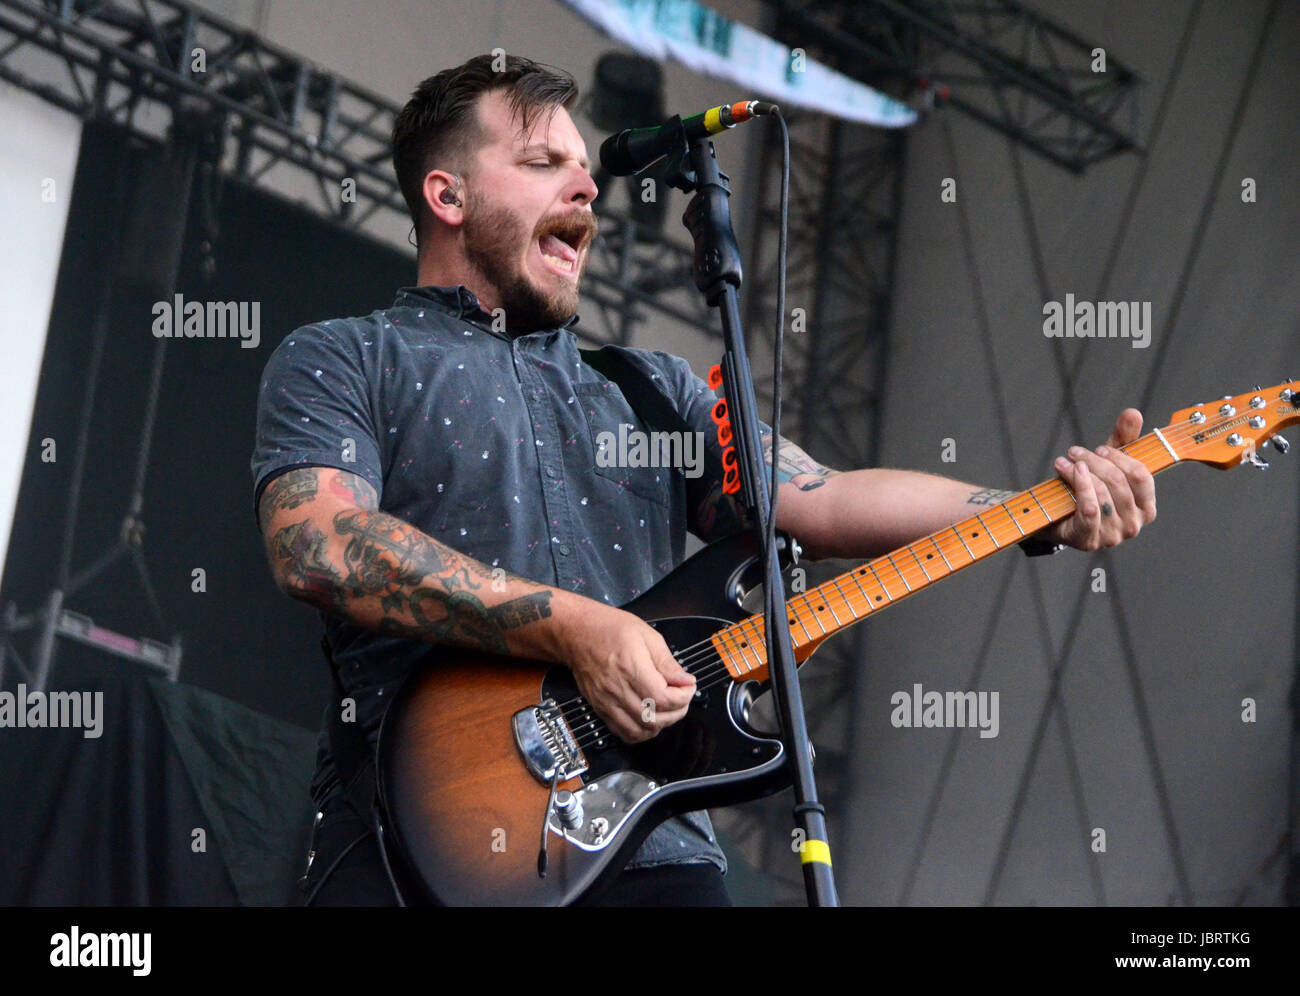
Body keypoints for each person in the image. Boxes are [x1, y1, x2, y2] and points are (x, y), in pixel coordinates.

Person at [250, 54, 1157, 907]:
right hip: (418, 839)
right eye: (541, 162)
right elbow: (317, 544)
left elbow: (824, 497)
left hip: (654, 848)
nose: (585, 184)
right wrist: (576, 629)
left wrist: (1039, 511)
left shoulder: (653, 390)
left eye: (583, 164)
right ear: (446, 195)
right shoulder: (345, 358)